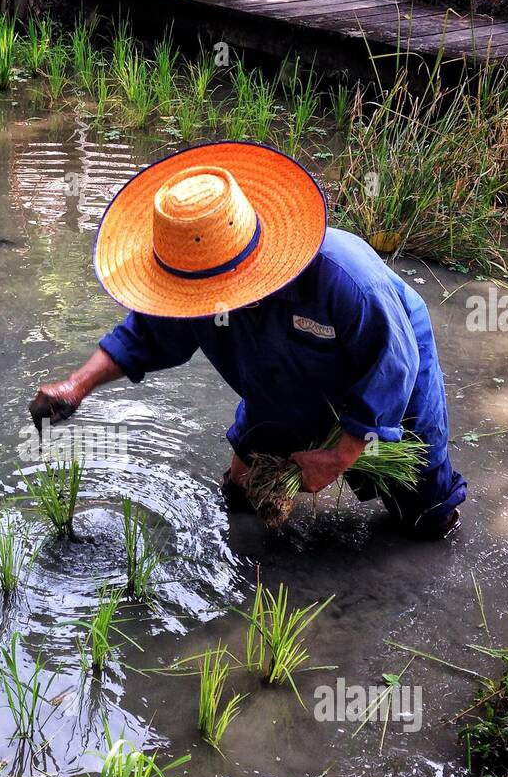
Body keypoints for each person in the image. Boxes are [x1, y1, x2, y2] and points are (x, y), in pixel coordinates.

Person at [28, 141, 465, 539]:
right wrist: (76, 386)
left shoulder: (344, 279)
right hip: (281, 384)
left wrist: (339, 455)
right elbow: (144, 335)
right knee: (241, 496)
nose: (206, 304)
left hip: (390, 377)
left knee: (425, 519)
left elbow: (394, 362)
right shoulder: (192, 291)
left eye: (214, 292)